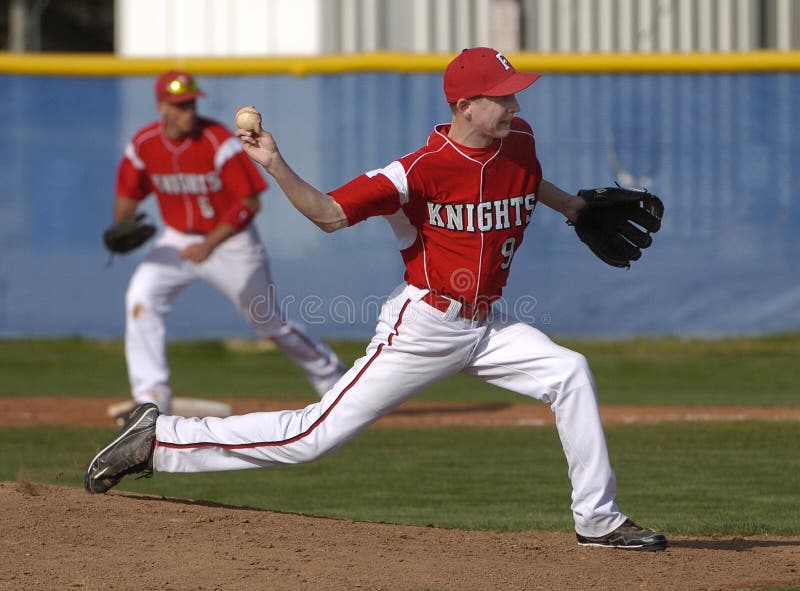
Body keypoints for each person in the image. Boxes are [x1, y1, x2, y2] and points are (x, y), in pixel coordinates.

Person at [86, 51, 667, 551]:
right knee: (310, 437)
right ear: (465, 106)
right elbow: (327, 213)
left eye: (515, 95)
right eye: (503, 98)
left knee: (569, 371)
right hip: (425, 326)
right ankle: (161, 440)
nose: (515, 106)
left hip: (487, 325)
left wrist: (574, 208)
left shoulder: (518, 142)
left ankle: (597, 520)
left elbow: (526, 179)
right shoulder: (415, 173)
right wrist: (275, 163)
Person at [109, 70, 345, 416]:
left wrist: (208, 246)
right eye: (180, 105)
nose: (188, 111)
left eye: (191, 103)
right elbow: (128, 193)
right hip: (177, 239)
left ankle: (335, 379)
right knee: (141, 298)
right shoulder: (144, 144)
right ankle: (151, 396)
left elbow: (249, 203)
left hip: (230, 240)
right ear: (162, 107)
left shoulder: (217, 141)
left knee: (267, 321)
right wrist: (122, 224)